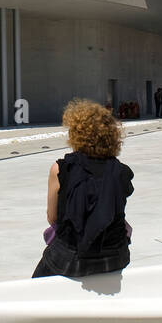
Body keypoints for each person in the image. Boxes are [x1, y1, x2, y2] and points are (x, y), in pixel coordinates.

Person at [32, 98, 134, 280]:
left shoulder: (60, 169)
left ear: (76, 135)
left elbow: (53, 218)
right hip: (115, 256)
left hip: (71, 258)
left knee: (36, 286)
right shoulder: (121, 171)